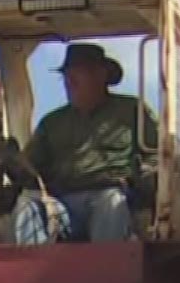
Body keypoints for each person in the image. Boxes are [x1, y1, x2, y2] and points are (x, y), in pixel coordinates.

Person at [10, 42, 159, 243]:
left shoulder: (131, 110)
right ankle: (30, 262)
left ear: (101, 75)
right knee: (27, 205)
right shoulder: (52, 122)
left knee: (111, 201)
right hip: (61, 202)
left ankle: (106, 263)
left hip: (110, 195)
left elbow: (157, 153)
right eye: (66, 75)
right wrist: (15, 164)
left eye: (78, 73)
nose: (69, 81)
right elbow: (31, 169)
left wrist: (144, 176)